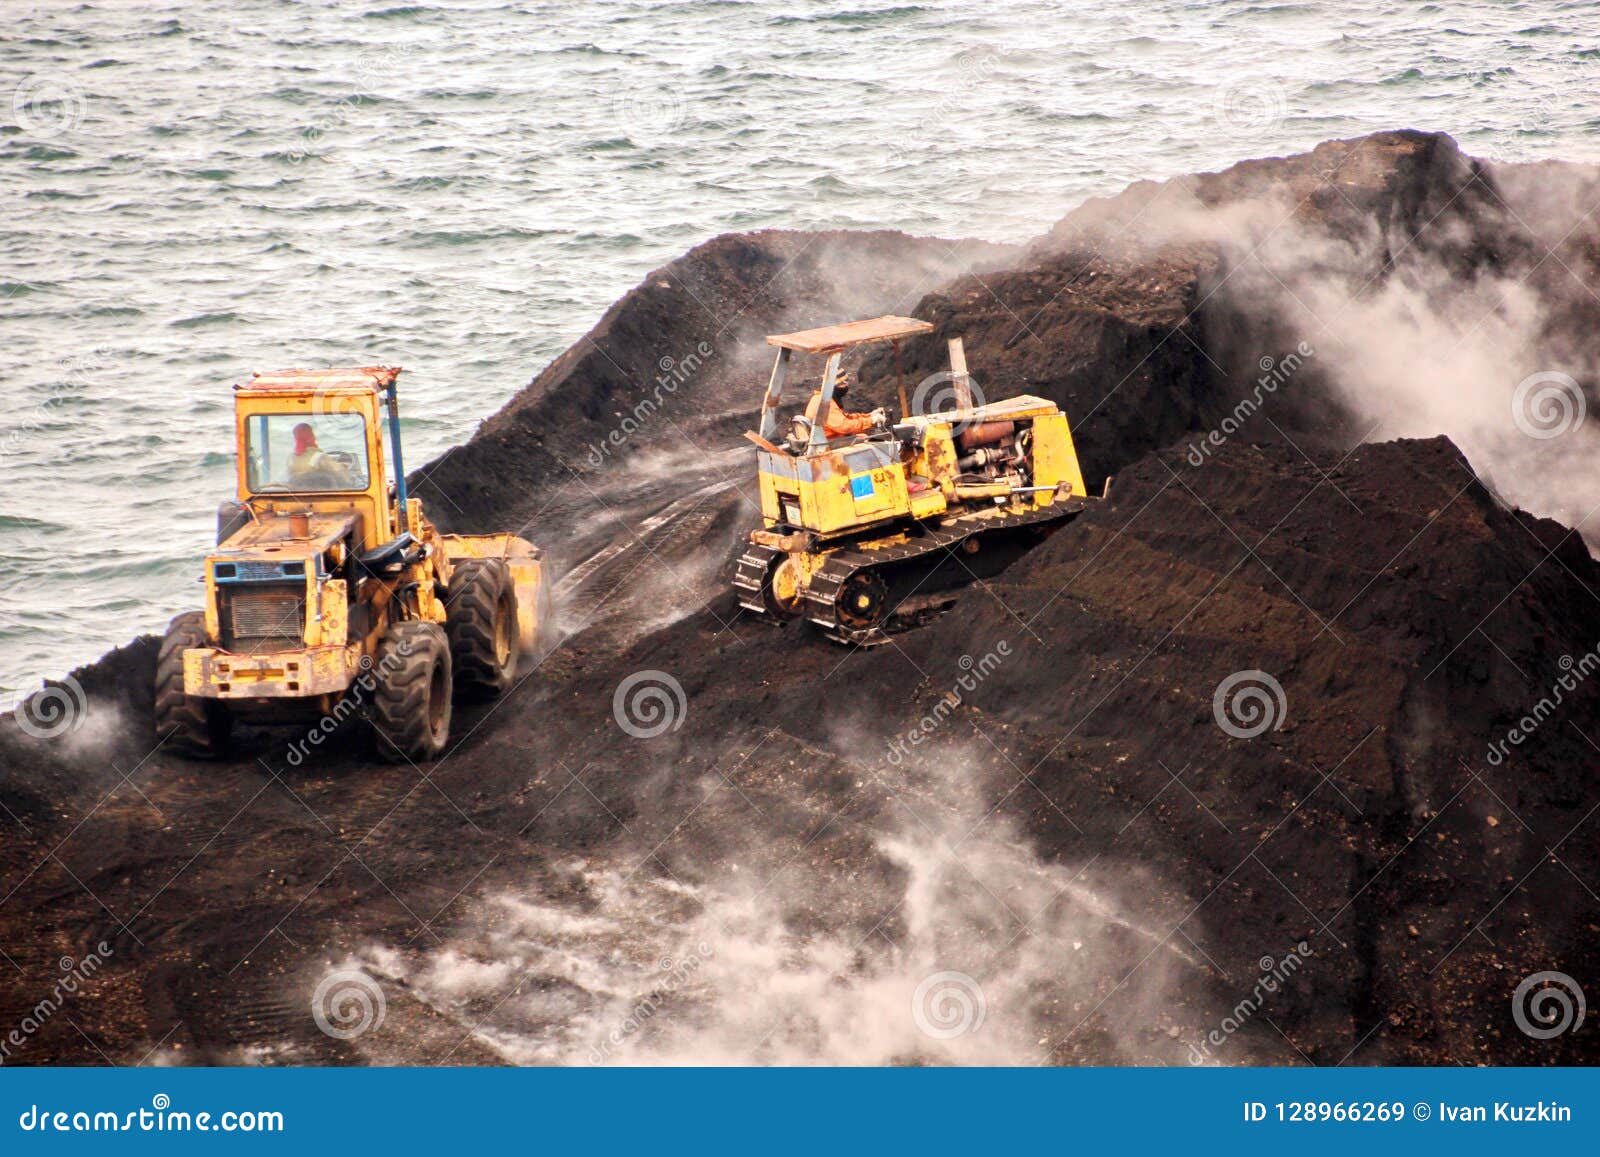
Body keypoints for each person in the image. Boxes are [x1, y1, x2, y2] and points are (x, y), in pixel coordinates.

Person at [803, 371, 887, 440]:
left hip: (831, 438)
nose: (846, 386)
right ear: (832, 385)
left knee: (863, 437)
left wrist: (869, 415)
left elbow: (844, 417)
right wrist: (870, 421)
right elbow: (844, 426)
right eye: (843, 383)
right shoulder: (823, 403)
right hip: (828, 443)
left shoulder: (822, 399)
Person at [287, 422, 357, 489]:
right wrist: (343, 468)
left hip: (299, 492)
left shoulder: (291, 458)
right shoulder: (318, 456)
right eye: (312, 434)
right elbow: (336, 471)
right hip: (320, 493)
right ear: (310, 436)